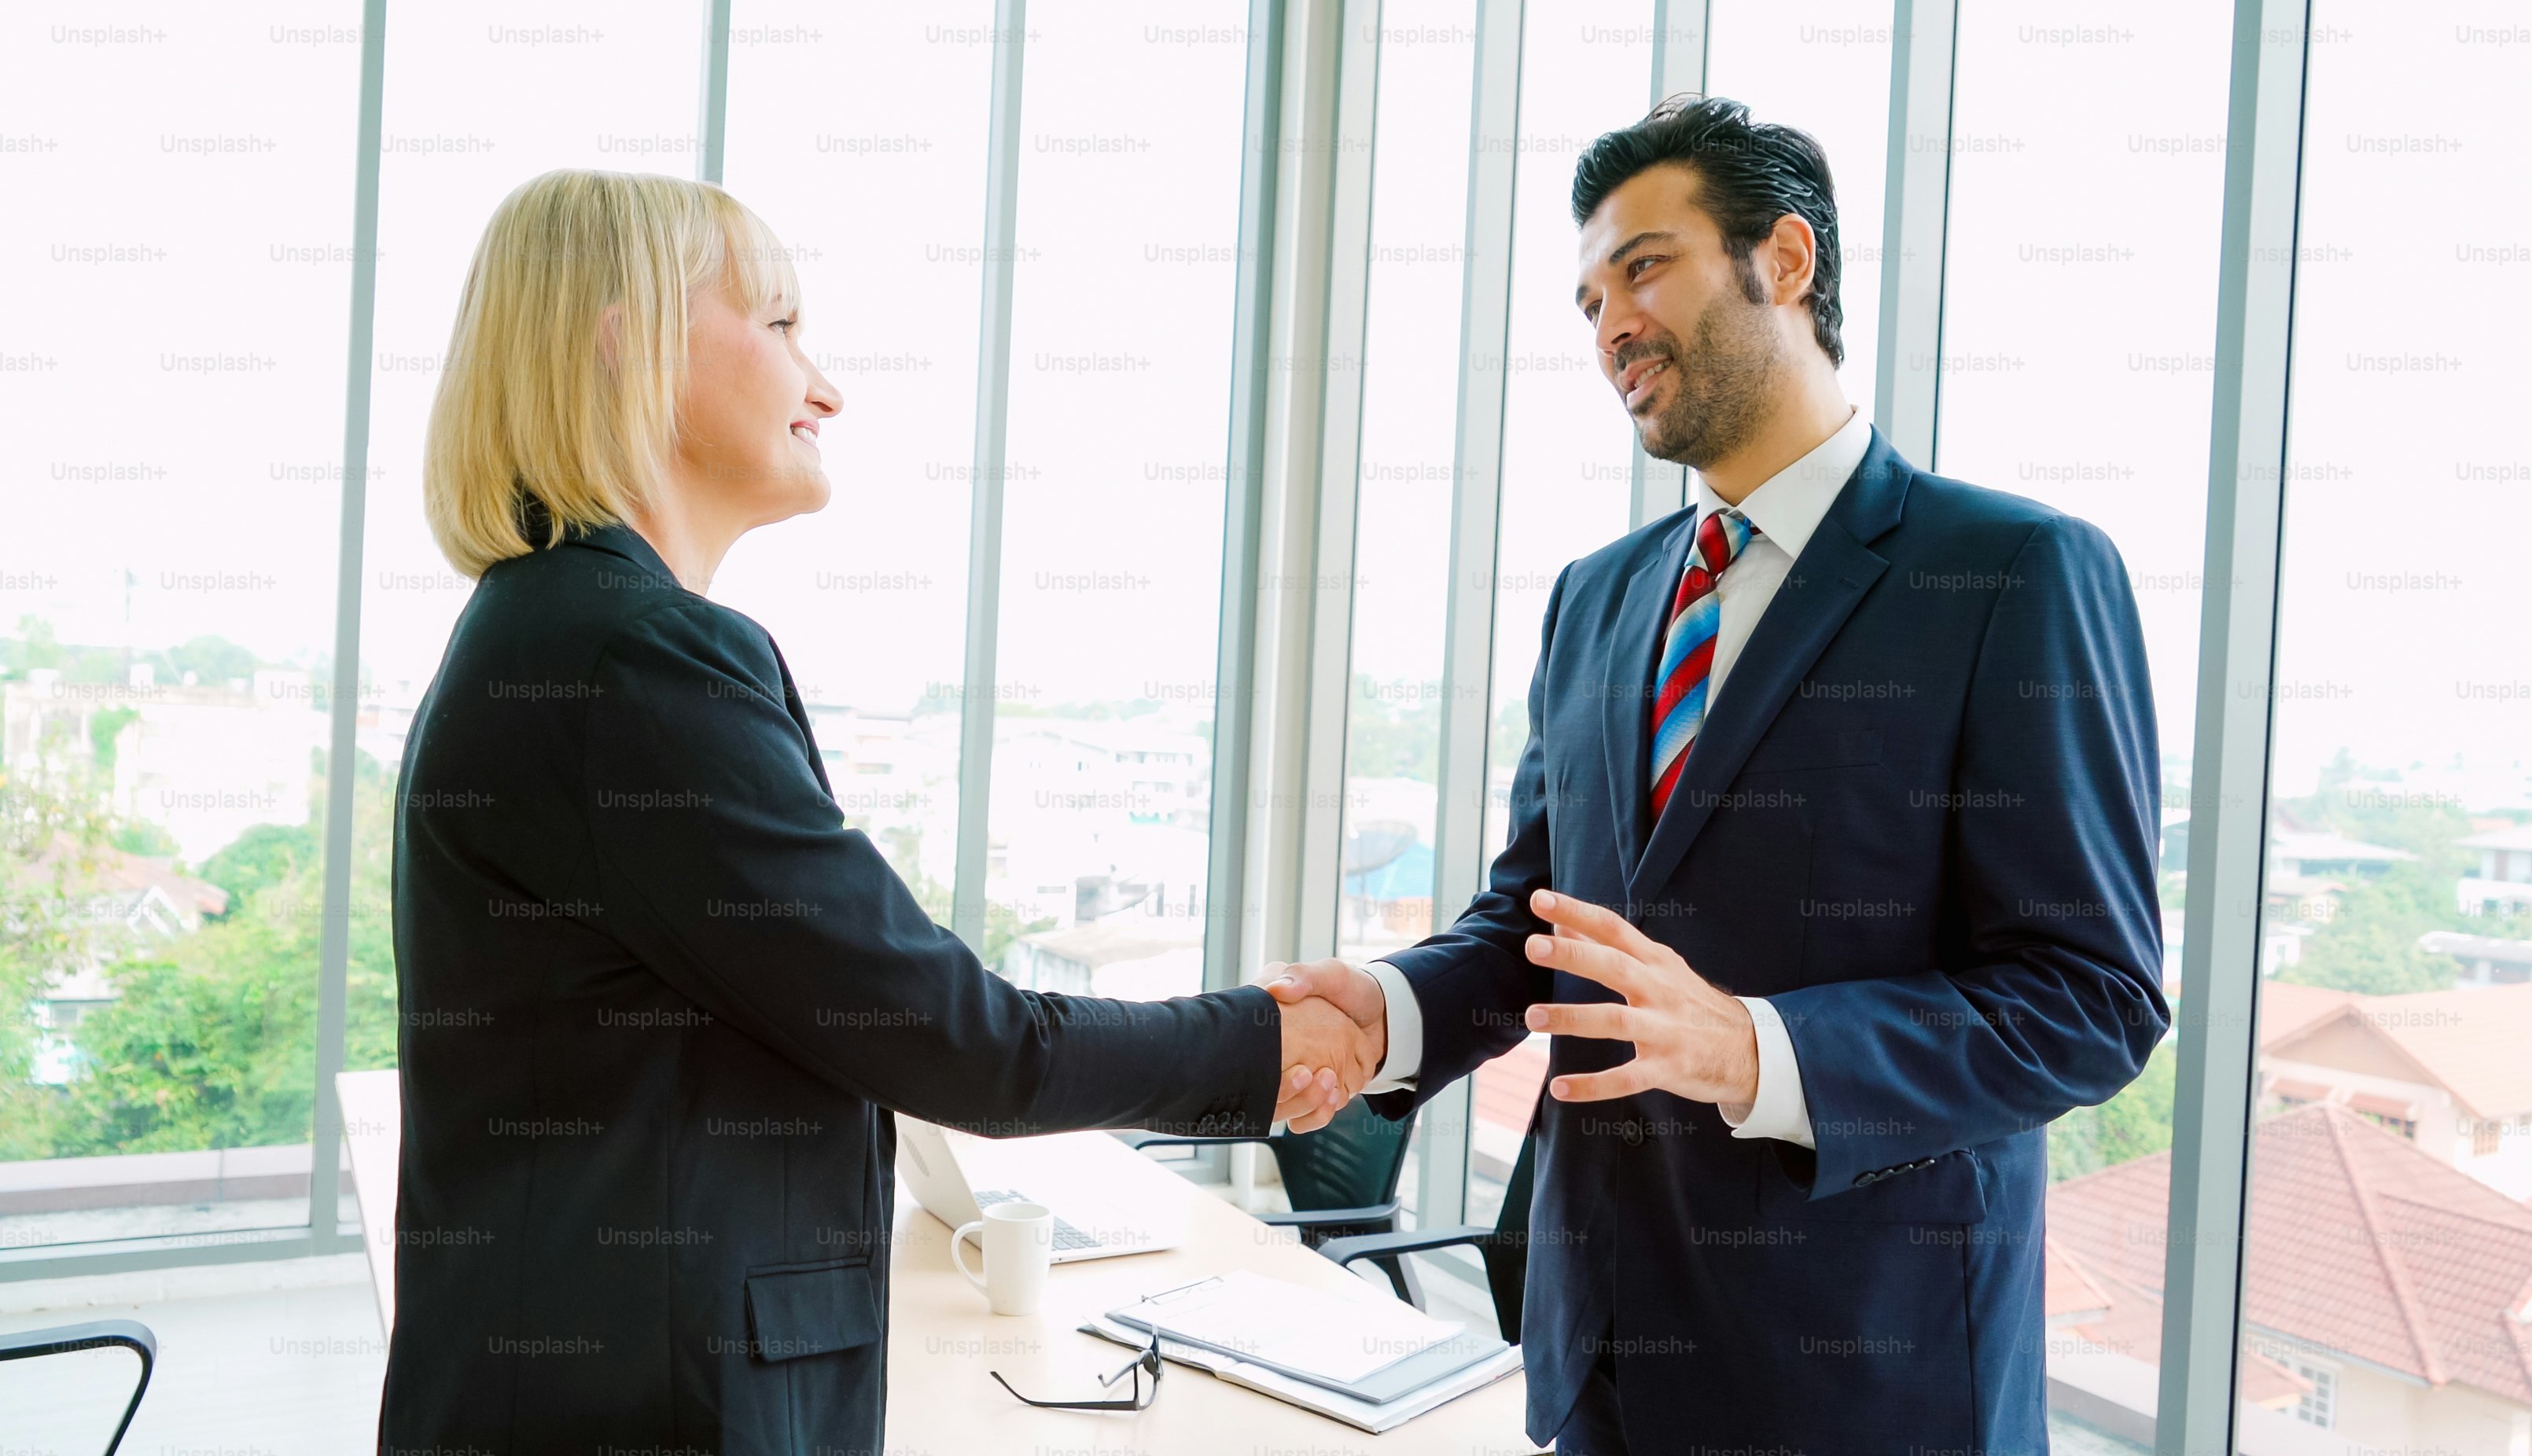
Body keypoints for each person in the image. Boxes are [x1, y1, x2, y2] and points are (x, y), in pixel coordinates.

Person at [379, 169, 1380, 1451]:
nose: (827, 386)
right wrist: (1263, 1038)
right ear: (626, 340)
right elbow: (959, 1040)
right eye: (783, 325)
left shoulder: (558, 634)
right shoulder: (639, 663)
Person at [1268, 96, 2167, 1453]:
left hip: (1868, 1383)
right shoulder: (1597, 599)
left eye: (1644, 267)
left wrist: (1761, 1049)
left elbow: (2088, 1000)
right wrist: (1387, 1012)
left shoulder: (2010, 572)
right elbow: (1540, 930)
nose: (1609, 325)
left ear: (1784, 263)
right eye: (1585, 302)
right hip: (1599, 1364)